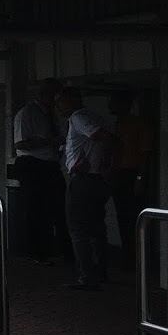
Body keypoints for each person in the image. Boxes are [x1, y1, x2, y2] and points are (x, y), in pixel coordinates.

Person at [58, 87, 116, 291]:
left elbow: (105, 138)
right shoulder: (94, 116)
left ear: (72, 100)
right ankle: (100, 272)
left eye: (61, 101)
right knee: (96, 228)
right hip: (97, 180)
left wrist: (104, 165)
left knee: (78, 229)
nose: (58, 106)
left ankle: (87, 276)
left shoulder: (78, 117)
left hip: (83, 179)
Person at [13, 78, 70, 264]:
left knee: (57, 206)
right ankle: (35, 250)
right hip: (32, 163)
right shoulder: (27, 113)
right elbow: (21, 143)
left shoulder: (52, 114)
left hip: (50, 163)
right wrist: (51, 142)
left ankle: (55, 248)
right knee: (34, 208)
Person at [109, 91, 153, 269]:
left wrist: (140, 177)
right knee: (122, 215)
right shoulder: (116, 124)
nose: (110, 106)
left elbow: (145, 154)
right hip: (118, 173)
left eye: (114, 102)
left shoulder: (139, 124)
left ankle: (139, 257)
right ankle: (128, 255)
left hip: (132, 173)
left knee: (134, 215)